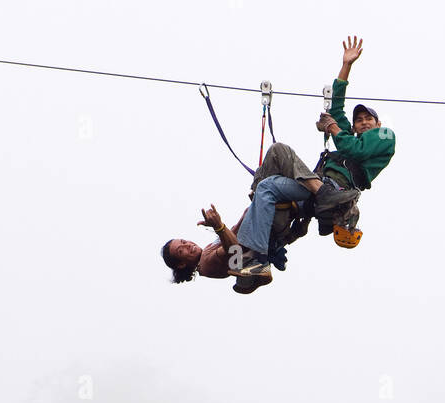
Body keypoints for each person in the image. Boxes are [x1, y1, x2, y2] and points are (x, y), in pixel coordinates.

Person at [160, 36, 394, 291]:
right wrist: (345, 68)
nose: (362, 122)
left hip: (334, 190)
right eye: (181, 250)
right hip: (318, 194)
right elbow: (234, 251)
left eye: (367, 119)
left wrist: (334, 124)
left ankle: (257, 260)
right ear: (181, 265)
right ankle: (257, 261)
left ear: (378, 124)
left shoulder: (383, 136)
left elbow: (351, 145)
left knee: (268, 179)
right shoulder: (206, 262)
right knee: (272, 170)